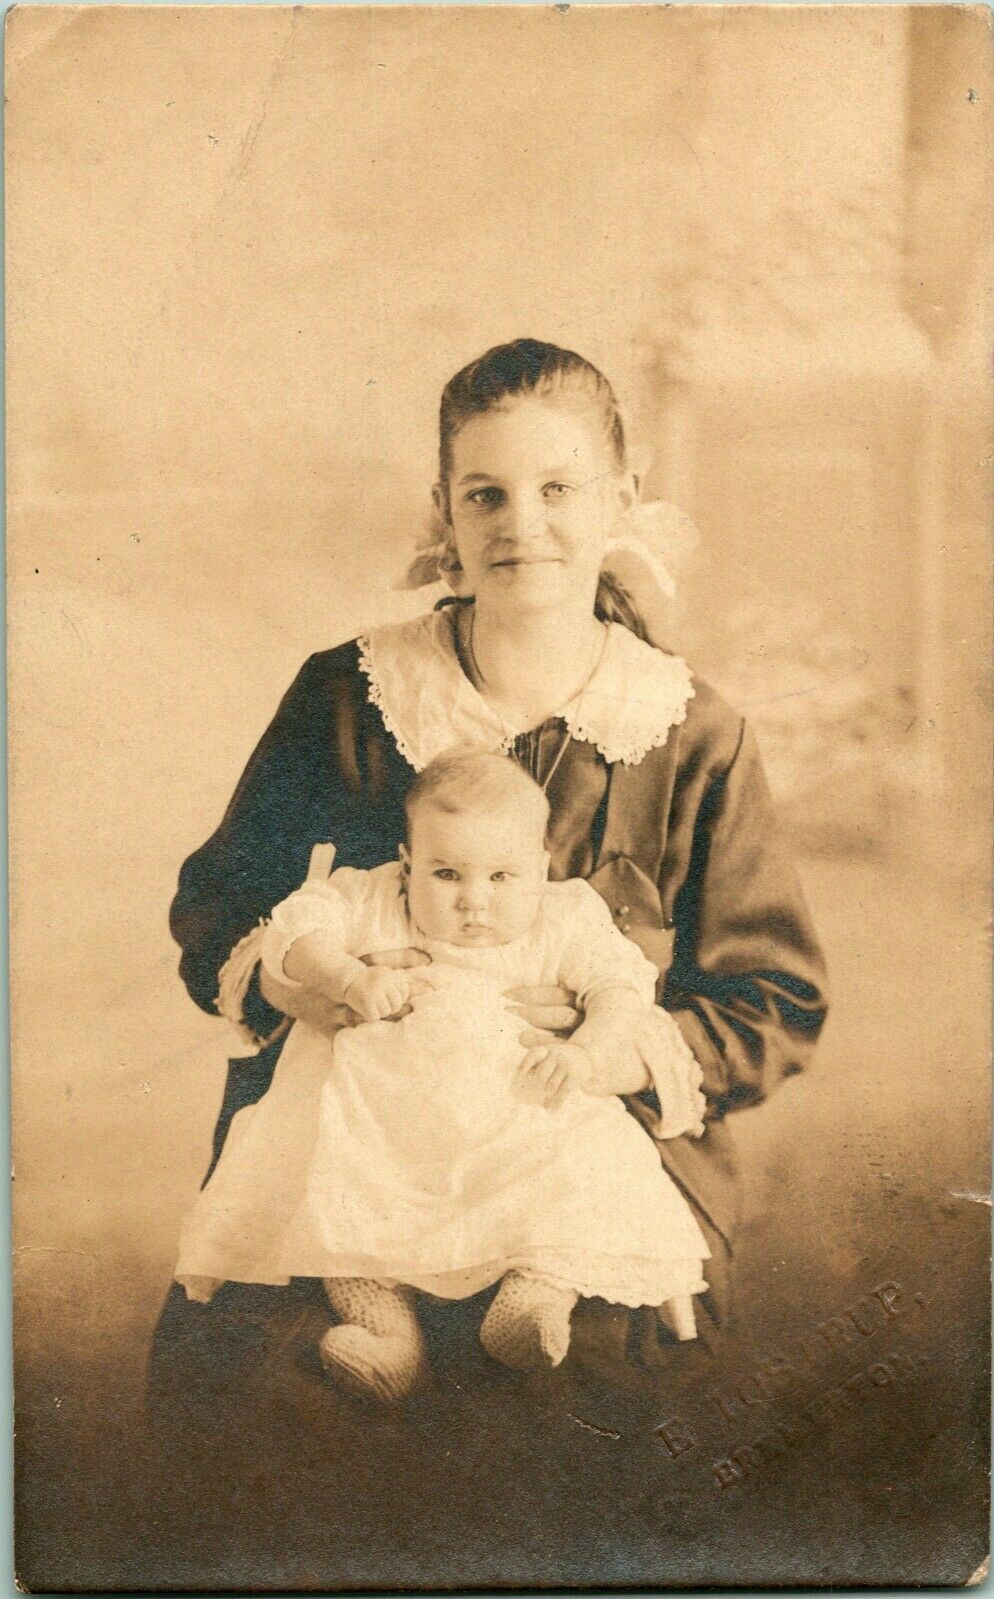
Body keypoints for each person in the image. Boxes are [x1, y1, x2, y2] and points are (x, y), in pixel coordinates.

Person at [156, 336, 828, 1400]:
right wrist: (302, 978)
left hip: (591, 1161)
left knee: (597, 1392)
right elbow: (220, 905)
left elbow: (772, 1000)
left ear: (623, 496)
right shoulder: (348, 698)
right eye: (486, 493)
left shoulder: (692, 732)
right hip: (358, 1146)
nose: (521, 523)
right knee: (274, 1397)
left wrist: (614, 1047)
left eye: (558, 487)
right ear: (446, 512)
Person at [174, 751, 711, 1402]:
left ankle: (531, 1304)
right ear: (408, 864)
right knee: (347, 1216)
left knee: (569, 1193)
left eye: (502, 875)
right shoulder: (372, 897)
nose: (474, 901)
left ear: (540, 869)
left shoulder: (563, 915)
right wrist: (350, 976)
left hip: (522, 1126)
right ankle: (390, 1343)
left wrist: (588, 1054)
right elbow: (297, 928)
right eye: (446, 873)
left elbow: (622, 986)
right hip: (384, 1132)